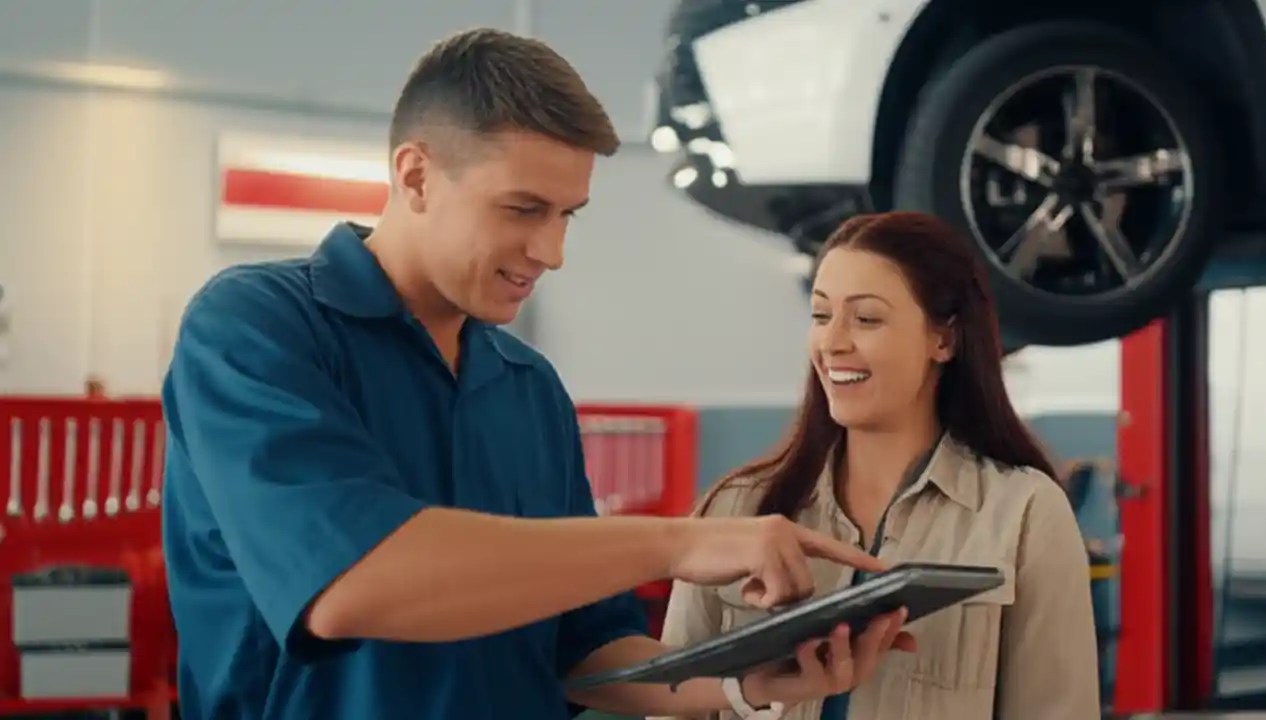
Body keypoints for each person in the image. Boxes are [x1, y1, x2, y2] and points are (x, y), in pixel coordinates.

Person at [159, 28, 913, 720]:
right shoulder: (255, 328)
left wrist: (744, 681)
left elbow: (584, 653)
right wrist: (674, 543)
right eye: (522, 209)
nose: (550, 251)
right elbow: (351, 585)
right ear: (416, 176)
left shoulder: (528, 387)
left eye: (567, 215)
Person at [657, 211, 1100, 720]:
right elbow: (670, 706)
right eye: (821, 316)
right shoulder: (735, 510)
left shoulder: (1023, 514)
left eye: (866, 318)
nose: (833, 342)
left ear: (945, 339)